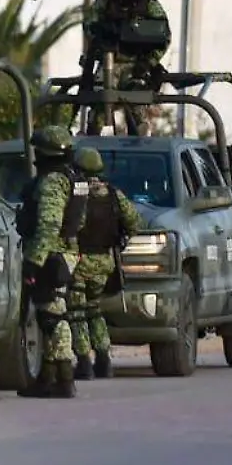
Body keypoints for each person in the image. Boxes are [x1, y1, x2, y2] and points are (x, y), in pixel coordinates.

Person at [14, 126, 90, 397]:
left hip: (51, 255)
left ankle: (64, 377)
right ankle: (48, 376)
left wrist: (34, 261)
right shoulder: (75, 179)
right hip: (65, 252)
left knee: (53, 317)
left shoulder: (53, 182)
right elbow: (78, 220)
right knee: (51, 312)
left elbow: (49, 225)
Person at [68, 146, 143, 380]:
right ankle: (104, 359)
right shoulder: (112, 194)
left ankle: (83, 362)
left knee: (77, 313)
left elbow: (70, 226)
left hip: (79, 261)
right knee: (95, 310)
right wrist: (120, 239)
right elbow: (135, 223)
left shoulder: (76, 194)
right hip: (104, 261)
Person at [82, 0, 172, 134]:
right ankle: (92, 141)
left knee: (137, 108)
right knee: (99, 104)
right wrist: (103, 33)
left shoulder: (149, 6)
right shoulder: (104, 3)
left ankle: (139, 142)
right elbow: (89, 25)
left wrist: (149, 62)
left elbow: (164, 36)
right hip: (109, 62)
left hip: (137, 65)